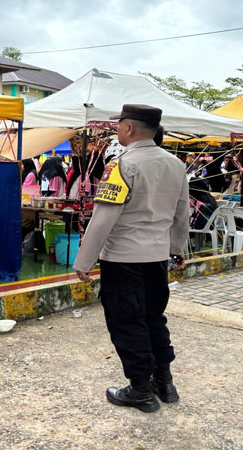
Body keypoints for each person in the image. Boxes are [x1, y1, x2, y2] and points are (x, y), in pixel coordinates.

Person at [73, 104, 189, 413]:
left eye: (119, 125)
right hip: (156, 258)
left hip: (124, 258)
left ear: (128, 128)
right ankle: (164, 383)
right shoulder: (176, 164)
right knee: (154, 318)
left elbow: (103, 217)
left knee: (128, 322)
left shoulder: (122, 165)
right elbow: (181, 214)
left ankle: (140, 390)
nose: (117, 130)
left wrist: (84, 261)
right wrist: (178, 249)